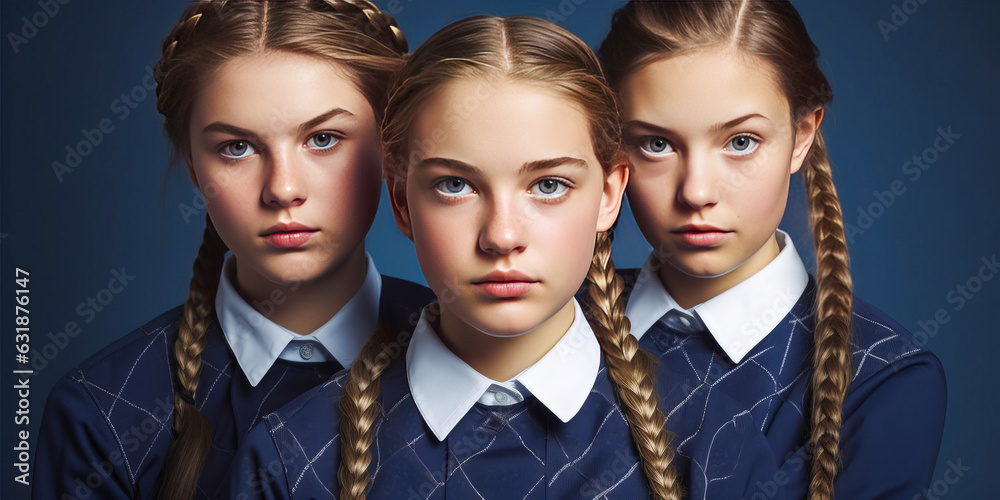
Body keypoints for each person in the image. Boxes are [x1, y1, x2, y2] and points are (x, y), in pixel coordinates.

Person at [232, 15, 778, 500]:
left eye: (548, 185)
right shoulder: (293, 455)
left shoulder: (712, 440)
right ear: (400, 200)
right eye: (455, 185)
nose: (502, 236)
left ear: (609, 194)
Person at [33, 2, 430, 498]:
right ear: (194, 167)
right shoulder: (104, 411)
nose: (283, 189)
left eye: (323, 138)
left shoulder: (486, 354)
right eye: (236, 148)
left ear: (389, 150)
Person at [598, 1, 947, 498]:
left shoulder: (884, 377)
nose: (697, 192)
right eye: (657, 144)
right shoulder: (548, 325)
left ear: (802, 136)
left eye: (741, 141)